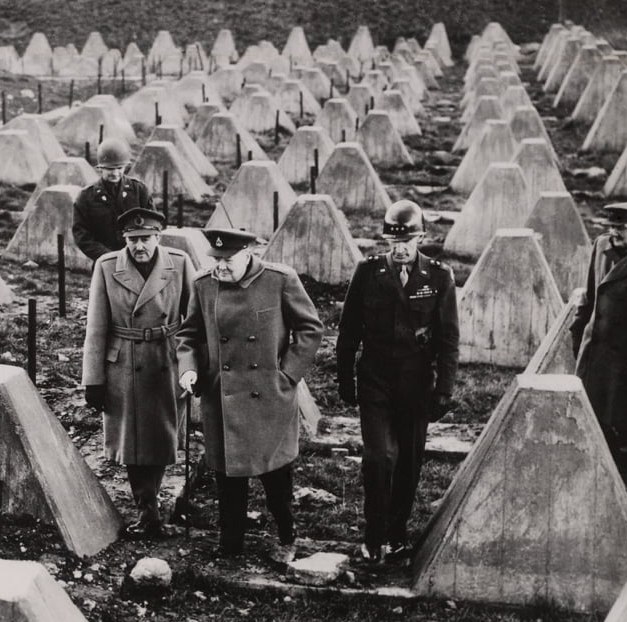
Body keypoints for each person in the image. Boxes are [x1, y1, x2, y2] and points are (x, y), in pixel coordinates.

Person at [177, 229, 323, 563]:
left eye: (227, 260)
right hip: (223, 397)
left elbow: (310, 328)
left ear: (247, 254)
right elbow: (188, 334)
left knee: (276, 477)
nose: (221, 268)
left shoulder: (279, 280)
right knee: (228, 479)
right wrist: (189, 368)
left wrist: (287, 375)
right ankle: (230, 545)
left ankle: (287, 536)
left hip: (269, 397)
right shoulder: (203, 284)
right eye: (216, 260)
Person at [336, 199, 459, 565]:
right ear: (386, 241)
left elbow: (448, 339)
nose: (400, 249)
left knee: (408, 463)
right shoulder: (368, 271)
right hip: (375, 381)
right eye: (393, 242)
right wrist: (346, 379)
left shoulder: (438, 277)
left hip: (416, 385)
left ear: (421, 238)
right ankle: (374, 537)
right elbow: (348, 330)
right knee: (378, 458)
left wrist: (444, 391)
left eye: (408, 241)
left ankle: (397, 533)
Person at [82, 207, 195, 538]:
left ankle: (152, 503)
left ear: (158, 237)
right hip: (125, 364)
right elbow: (96, 327)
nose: (139, 246)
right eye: (132, 240)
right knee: (132, 442)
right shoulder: (106, 267)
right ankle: (147, 509)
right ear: (124, 240)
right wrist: (93, 379)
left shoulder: (180, 262)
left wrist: (194, 365)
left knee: (161, 436)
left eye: (145, 238)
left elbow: (194, 320)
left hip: (167, 358)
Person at [571, 202, 627, 483]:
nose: (614, 233)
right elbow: (591, 295)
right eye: (611, 226)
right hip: (596, 348)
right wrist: (578, 329)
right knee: (594, 415)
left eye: (621, 227)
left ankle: (625, 479)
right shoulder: (601, 247)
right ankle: (596, 475)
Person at [73, 137, 154, 263]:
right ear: (100, 168)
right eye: (110, 169)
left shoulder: (139, 191)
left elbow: (152, 226)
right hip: (104, 262)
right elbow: (82, 236)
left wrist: (138, 251)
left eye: (120, 168)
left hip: (137, 260)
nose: (115, 173)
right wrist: (108, 256)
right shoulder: (86, 197)